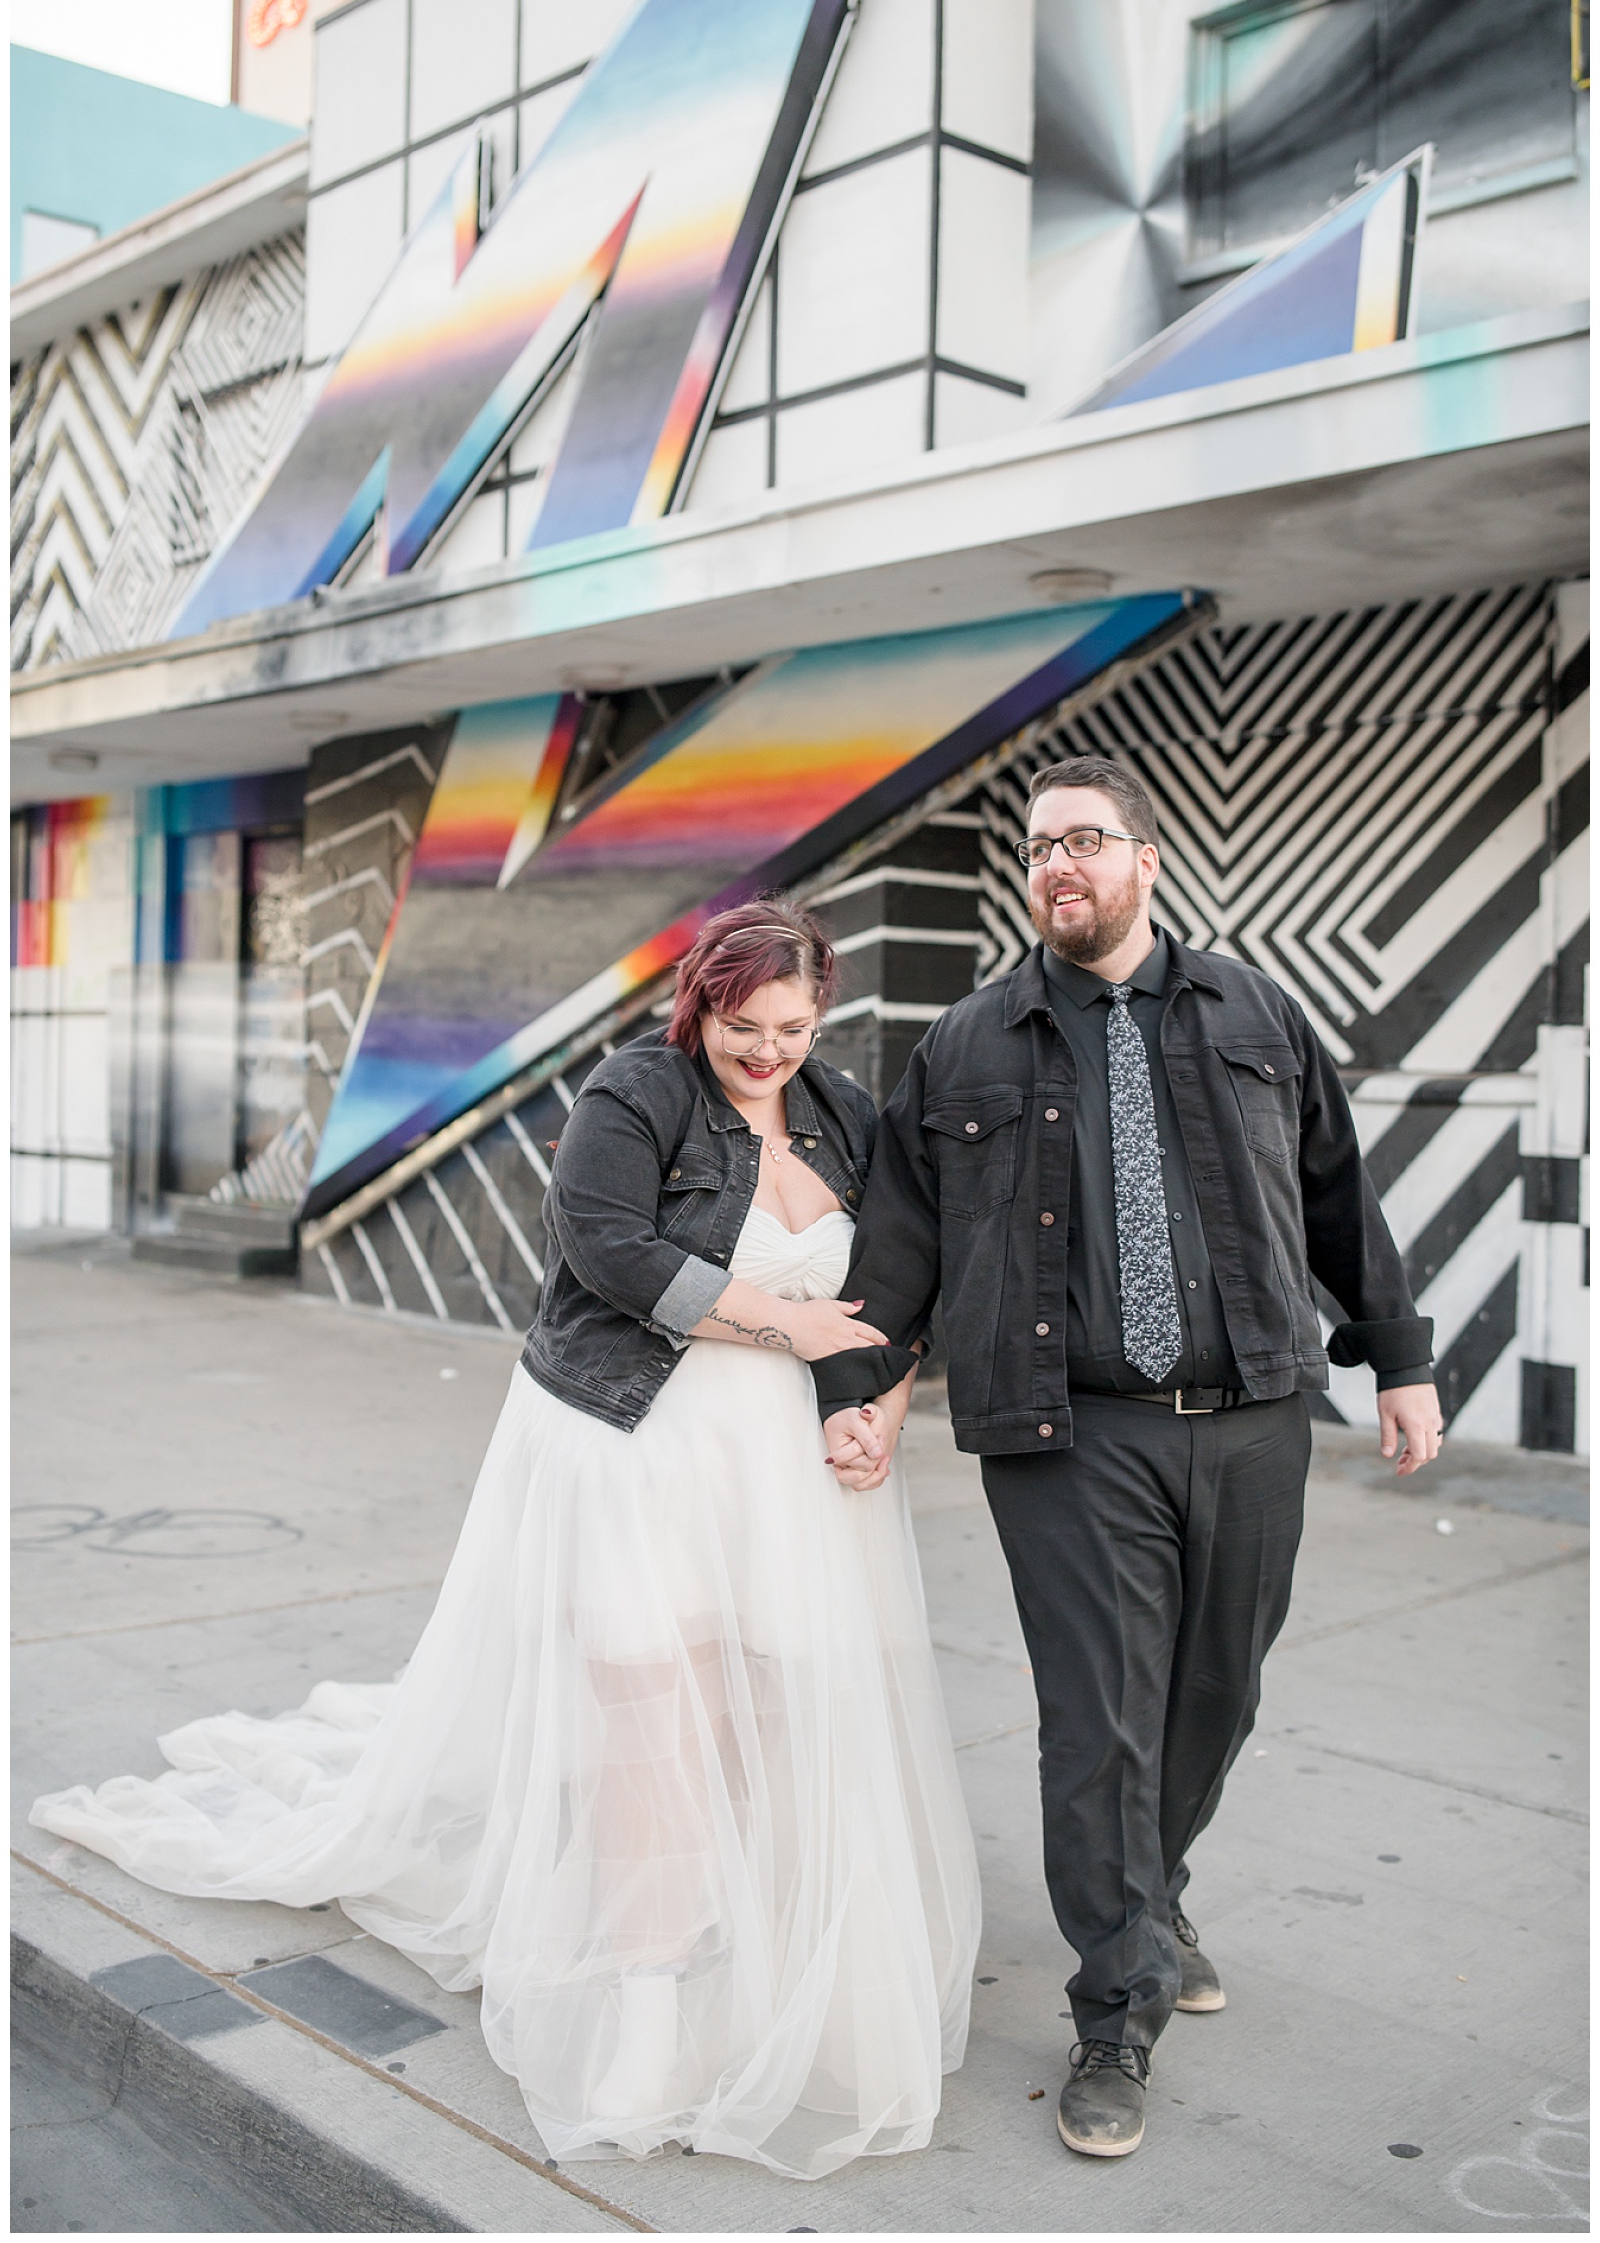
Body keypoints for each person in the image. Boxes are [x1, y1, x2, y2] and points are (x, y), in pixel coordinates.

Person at [32, 899, 980, 2183]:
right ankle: (645, 2006)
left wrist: (874, 1406)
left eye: (794, 1029)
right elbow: (605, 1249)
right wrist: (790, 1328)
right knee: (650, 1721)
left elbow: (896, 1279)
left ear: (825, 1016)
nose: (767, 1053)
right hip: (636, 1441)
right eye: (743, 1026)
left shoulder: (846, 1111)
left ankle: (750, 1956)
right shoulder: (635, 1092)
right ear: (699, 1003)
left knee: (764, 1716)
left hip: (786, 1473)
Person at [815, 755, 1443, 2161]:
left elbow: (1335, 1194)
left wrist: (1398, 1357)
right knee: (1098, 1719)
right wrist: (858, 1389)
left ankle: (1150, 1899)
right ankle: (1115, 2010)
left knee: (1215, 1693)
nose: (1059, 863)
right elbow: (901, 1236)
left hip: (1255, 1412)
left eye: (1087, 839)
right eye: (1040, 845)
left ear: (1146, 860)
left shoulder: (1256, 1011)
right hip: (1068, 1428)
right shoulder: (967, 1042)